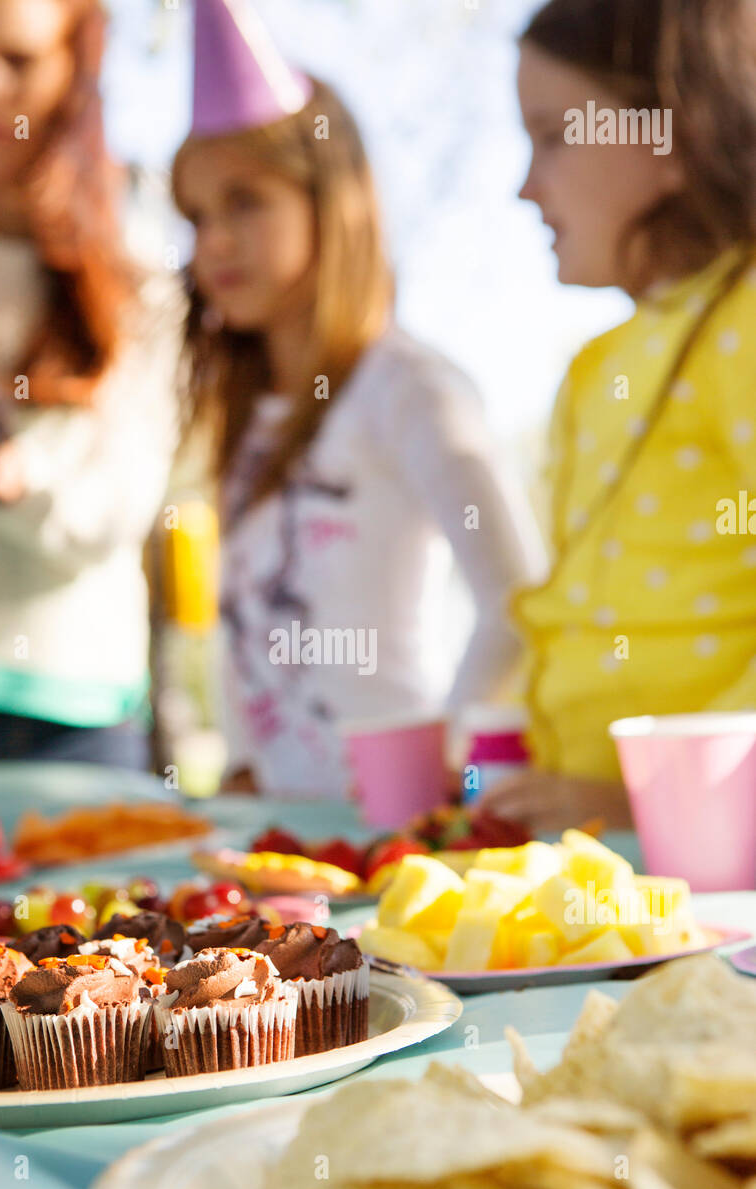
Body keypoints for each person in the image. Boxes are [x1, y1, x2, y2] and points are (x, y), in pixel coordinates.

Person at [172, 0, 546, 799]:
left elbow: (518, 601)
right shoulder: (245, 417)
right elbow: (249, 633)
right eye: (198, 215)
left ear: (330, 199)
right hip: (275, 848)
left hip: (393, 839)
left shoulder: (409, 390)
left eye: (245, 202)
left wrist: (444, 767)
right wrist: (243, 760)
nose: (213, 243)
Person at [478, 0, 756, 831]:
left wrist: (645, 804)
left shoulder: (742, 319)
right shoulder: (594, 369)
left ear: (674, 133)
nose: (526, 185)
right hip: (610, 852)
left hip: (713, 868)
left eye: (555, 135)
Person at [0, 0, 179, 768]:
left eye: (16, 60)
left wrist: (4, 472)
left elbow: (117, 511)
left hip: (74, 720)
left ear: (77, 71)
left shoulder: (140, 283)